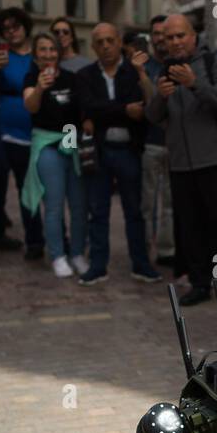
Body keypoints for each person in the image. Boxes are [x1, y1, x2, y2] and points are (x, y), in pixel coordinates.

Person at [147, 14, 217, 303]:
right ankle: (200, 283)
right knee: (191, 226)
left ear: (193, 37)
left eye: (180, 35)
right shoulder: (163, 70)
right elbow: (154, 117)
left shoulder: (212, 62)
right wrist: (159, 96)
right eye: (169, 37)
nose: (175, 42)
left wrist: (195, 84)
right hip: (181, 164)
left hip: (215, 162)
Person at [77, 22, 158, 284]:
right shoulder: (86, 75)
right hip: (99, 152)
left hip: (128, 151)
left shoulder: (133, 72)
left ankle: (141, 264)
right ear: (93, 46)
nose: (105, 46)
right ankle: (98, 266)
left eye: (110, 40)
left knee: (134, 211)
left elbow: (146, 107)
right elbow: (89, 106)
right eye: (99, 42)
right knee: (98, 211)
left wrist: (103, 113)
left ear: (119, 42)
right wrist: (124, 111)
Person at [22, 32, 87, 278]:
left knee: (79, 206)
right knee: (54, 206)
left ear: (58, 53)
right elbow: (30, 106)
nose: (48, 54)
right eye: (43, 49)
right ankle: (58, 255)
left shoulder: (72, 78)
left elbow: (83, 109)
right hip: (47, 145)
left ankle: (78, 253)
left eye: (52, 49)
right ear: (35, 54)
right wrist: (40, 87)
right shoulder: (30, 77)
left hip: (72, 143)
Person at [0, 7, 45, 260]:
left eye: (15, 26)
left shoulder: (40, 55)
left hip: (40, 130)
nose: (12, 32)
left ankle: (56, 237)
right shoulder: (0, 58)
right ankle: (34, 241)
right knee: (23, 187)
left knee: (49, 188)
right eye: (6, 29)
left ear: (25, 26)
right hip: (10, 132)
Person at [141, 14, 175, 271]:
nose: (161, 38)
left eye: (165, 33)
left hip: (175, 144)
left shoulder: (180, 65)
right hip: (150, 142)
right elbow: (150, 104)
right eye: (156, 33)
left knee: (170, 203)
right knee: (148, 201)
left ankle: (166, 250)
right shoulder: (145, 66)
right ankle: (143, 249)